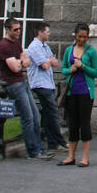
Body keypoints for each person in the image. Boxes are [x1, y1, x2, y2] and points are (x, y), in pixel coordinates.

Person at [0, 17, 44, 159]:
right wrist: (21, 62)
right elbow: (15, 67)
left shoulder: (16, 44)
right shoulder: (4, 46)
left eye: (19, 29)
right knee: (27, 117)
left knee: (36, 115)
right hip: (12, 84)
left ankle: (39, 148)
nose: (18, 32)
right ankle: (33, 152)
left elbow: (26, 62)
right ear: (7, 30)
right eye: (15, 29)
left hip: (21, 82)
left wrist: (21, 62)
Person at [59, 24, 97, 167]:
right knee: (73, 123)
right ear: (75, 36)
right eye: (79, 37)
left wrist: (82, 66)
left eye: (84, 37)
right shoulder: (69, 50)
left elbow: (96, 72)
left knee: (84, 123)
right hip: (71, 91)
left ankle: (85, 157)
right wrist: (69, 70)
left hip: (85, 92)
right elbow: (63, 68)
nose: (82, 39)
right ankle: (70, 156)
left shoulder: (91, 52)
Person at [26, 22, 66, 154]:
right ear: (40, 32)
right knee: (53, 112)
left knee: (49, 114)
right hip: (40, 83)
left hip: (48, 83)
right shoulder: (34, 47)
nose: (49, 34)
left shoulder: (45, 46)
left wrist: (48, 60)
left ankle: (52, 143)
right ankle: (59, 141)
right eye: (47, 31)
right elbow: (44, 65)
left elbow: (54, 62)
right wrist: (48, 60)